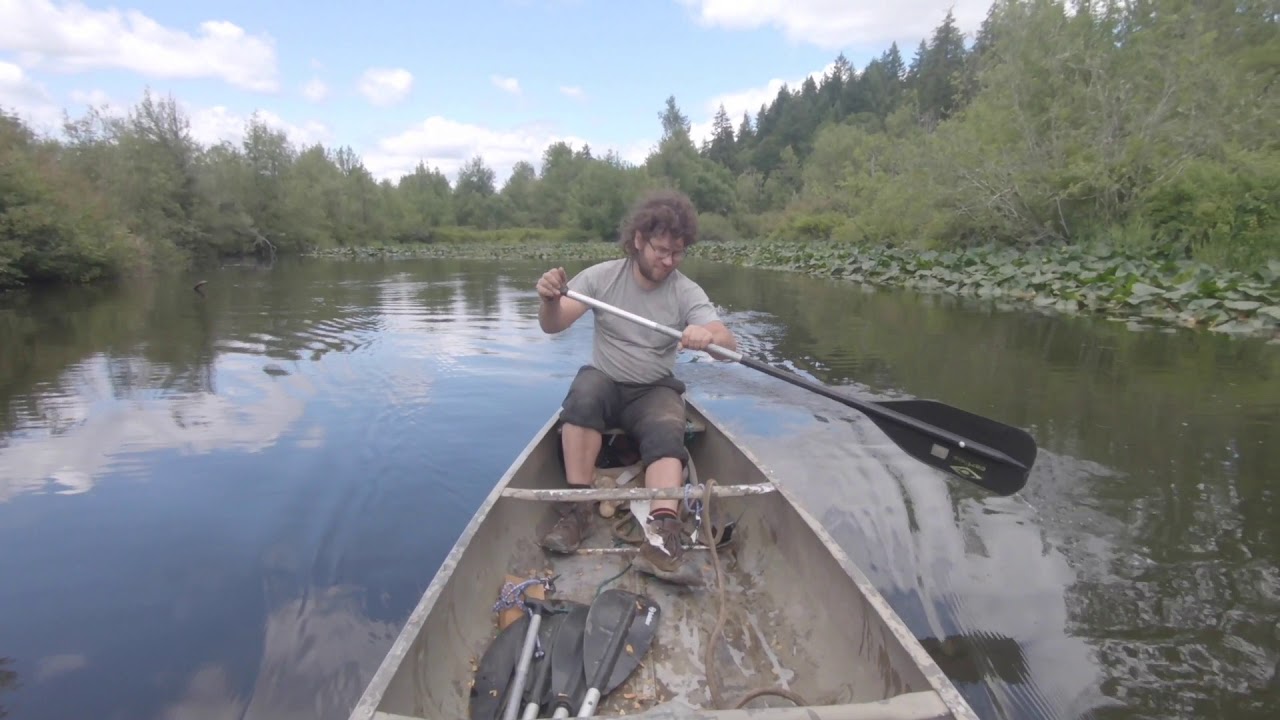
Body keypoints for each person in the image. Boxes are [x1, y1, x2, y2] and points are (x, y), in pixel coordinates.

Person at [534, 189, 738, 585]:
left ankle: (662, 535)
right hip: (605, 379)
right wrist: (549, 300)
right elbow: (552, 324)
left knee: (668, 426)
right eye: (661, 250)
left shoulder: (685, 291)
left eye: (677, 253)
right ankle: (579, 509)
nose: (669, 261)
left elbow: (726, 344)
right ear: (639, 241)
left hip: (653, 388)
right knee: (583, 395)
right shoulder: (602, 277)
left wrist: (708, 336)